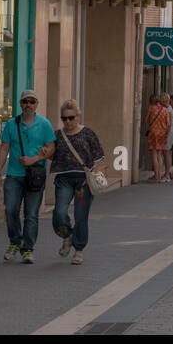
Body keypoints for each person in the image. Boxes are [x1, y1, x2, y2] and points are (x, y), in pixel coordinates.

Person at [0, 90, 55, 264]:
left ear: (37, 104)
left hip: (35, 176)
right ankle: (15, 242)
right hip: (13, 175)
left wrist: (35, 158)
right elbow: (4, 148)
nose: (28, 104)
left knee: (31, 214)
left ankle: (28, 249)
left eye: (32, 101)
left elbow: (51, 148)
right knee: (11, 210)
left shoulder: (44, 124)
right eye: (25, 101)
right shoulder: (12, 124)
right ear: (20, 104)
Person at [52, 100, 105, 266]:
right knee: (59, 212)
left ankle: (79, 250)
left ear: (78, 116)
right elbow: (49, 153)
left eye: (71, 118)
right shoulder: (58, 135)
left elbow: (99, 156)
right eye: (64, 118)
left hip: (83, 180)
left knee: (80, 216)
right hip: (63, 179)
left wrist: (93, 172)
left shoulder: (88, 133)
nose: (67, 122)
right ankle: (67, 236)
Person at [145, 94, 171, 182]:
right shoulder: (165, 110)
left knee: (154, 153)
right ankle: (160, 175)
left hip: (153, 133)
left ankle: (156, 176)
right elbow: (168, 124)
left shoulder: (151, 108)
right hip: (162, 134)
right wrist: (166, 134)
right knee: (160, 154)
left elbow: (146, 120)